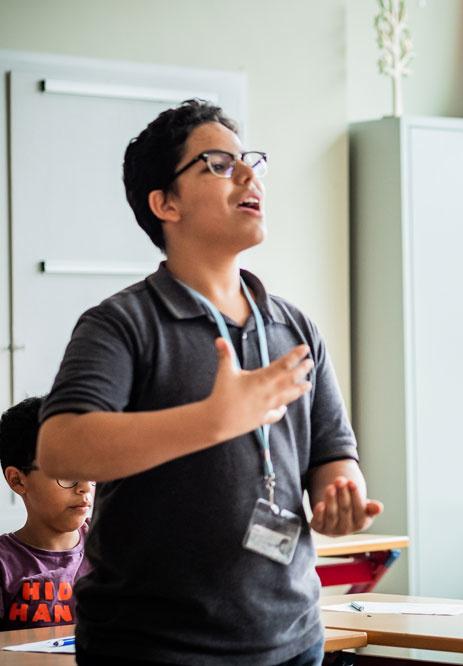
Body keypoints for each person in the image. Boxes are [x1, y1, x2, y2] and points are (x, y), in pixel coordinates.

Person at [37, 99, 383, 665]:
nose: (248, 175)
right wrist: (212, 420)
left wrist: (338, 496)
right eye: (218, 165)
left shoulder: (293, 328)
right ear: (165, 203)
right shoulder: (122, 323)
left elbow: (333, 454)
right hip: (154, 650)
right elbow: (61, 448)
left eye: (250, 162)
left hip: (291, 641)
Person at [0, 396, 93, 631]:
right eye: (66, 472)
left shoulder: (112, 549)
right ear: (18, 480)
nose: (85, 486)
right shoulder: (4, 564)